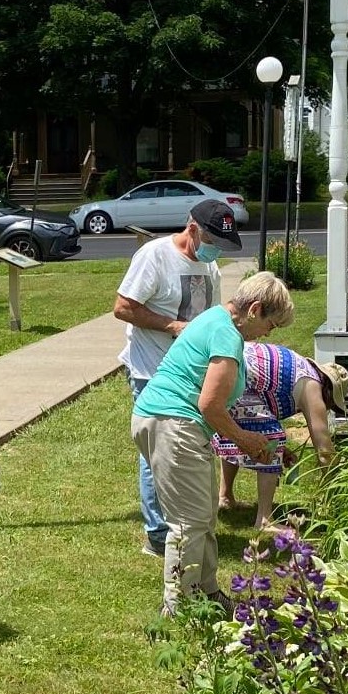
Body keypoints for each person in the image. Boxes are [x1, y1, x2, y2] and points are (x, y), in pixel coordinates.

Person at [131, 272, 290, 615]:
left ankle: (208, 593)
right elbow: (210, 405)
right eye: (271, 324)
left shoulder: (217, 320)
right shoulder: (226, 335)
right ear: (255, 310)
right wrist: (245, 440)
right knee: (187, 522)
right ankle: (180, 608)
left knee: (201, 516)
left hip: (166, 420)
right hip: (174, 425)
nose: (268, 333)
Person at [113, 198, 240, 556]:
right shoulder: (155, 256)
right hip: (151, 369)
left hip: (188, 373)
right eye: (213, 241)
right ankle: (158, 535)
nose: (216, 250)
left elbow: (212, 318)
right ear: (193, 229)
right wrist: (173, 325)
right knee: (156, 454)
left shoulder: (209, 266)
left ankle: (182, 522)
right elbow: (123, 307)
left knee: (185, 446)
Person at [214, 345, 348, 528]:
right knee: (270, 439)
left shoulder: (301, 370)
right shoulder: (313, 386)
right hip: (238, 377)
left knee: (239, 433)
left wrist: (282, 450)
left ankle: (225, 497)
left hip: (226, 369)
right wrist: (336, 493)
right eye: (331, 405)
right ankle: (264, 520)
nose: (327, 409)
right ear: (329, 392)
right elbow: (325, 452)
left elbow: (258, 408)